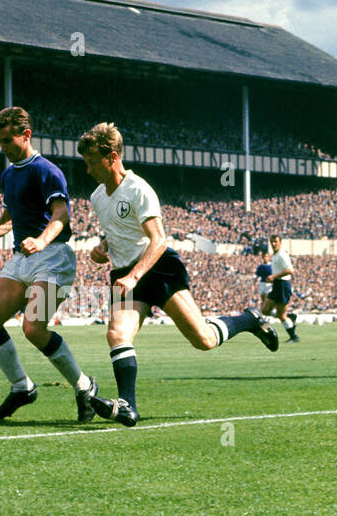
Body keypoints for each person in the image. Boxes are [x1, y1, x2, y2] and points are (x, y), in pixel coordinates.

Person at [77, 122, 277, 427]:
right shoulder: (97, 197)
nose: (88, 169)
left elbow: (158, 241)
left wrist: (134, 276)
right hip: (124, 274)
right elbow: (118, 232)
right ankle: (128, 405)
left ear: (112, 156)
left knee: (204, 340)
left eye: (92, 162)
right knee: (117, 334)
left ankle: (249, 320)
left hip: (157, 268)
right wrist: (101, 247)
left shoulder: (138, 189)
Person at [0, 106, 98, 421]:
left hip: (53, 256)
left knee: (33, 328)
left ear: (26, 135)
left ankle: (85, 387)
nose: (4, 147)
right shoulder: (9, 173)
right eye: (0, 142)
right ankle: (22, 387)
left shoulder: (46, 170)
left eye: (8, 140)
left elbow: (61, 214)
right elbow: (8, 220)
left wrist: (42, 240)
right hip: (22, 258)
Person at [260, 234, 300, 342]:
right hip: (277, 284)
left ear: (280, 242)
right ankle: (289, 317)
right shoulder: (275, 255)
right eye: (271, 242)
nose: (273, 244)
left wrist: (274, 276)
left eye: (275, 242)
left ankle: (294, 337)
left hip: (283, 285)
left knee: (281, 315)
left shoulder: (282, 255)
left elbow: (290, 270)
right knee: (265, 310)